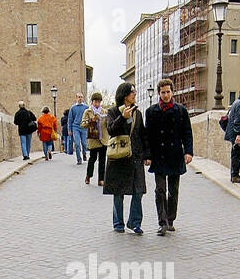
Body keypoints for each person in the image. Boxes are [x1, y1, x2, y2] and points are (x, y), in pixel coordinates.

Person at [143, 77, 194, 236]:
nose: (165, 95)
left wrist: (188, 151)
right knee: (160, 190)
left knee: (173, 190)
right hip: (158, 156)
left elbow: (187, 132)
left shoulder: (181, 111)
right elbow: (148, 136)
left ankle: (171, 219)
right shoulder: (151, 112)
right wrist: (148, 155)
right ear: (159, 93)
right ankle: (162, 222)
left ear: (172, 92)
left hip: (175, 154)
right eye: (163, 92)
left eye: (168, 92)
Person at [104, 81, 147, 234]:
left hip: (135, 156)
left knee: (138, 191)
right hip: (119, 156)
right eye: (132, 92)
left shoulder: (137, 113)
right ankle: (118, 223)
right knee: (118, 191)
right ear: (124, 95)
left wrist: (147, 155)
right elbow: (111, 130)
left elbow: (142, 135)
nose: (135, 94)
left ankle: (134, 222)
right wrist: (122, 117)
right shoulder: (113, 112)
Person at [82, 91, 108, 186]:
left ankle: (101, 179)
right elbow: (83, 124)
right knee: (92, 159)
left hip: (103, 139)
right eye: (95, 101)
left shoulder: (104, 112)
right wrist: (91, 121)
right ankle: (88, 176)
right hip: (93, 139)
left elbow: (107, 125)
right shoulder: (88, 111)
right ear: (92, 102)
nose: (97, 104)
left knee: (102, 160)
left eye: (98, 102)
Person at [67, 93, 89, 165]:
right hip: (75, 127)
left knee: (84, 143)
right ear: (76, 98)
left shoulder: (86, 107)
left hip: (84, 127)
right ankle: (79, 159)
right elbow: (70, 119)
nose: (80, 98)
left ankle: (84, 153)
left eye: (81, 97)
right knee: (77, 143)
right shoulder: (73, 108)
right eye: (79, 97)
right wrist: (69, 129)